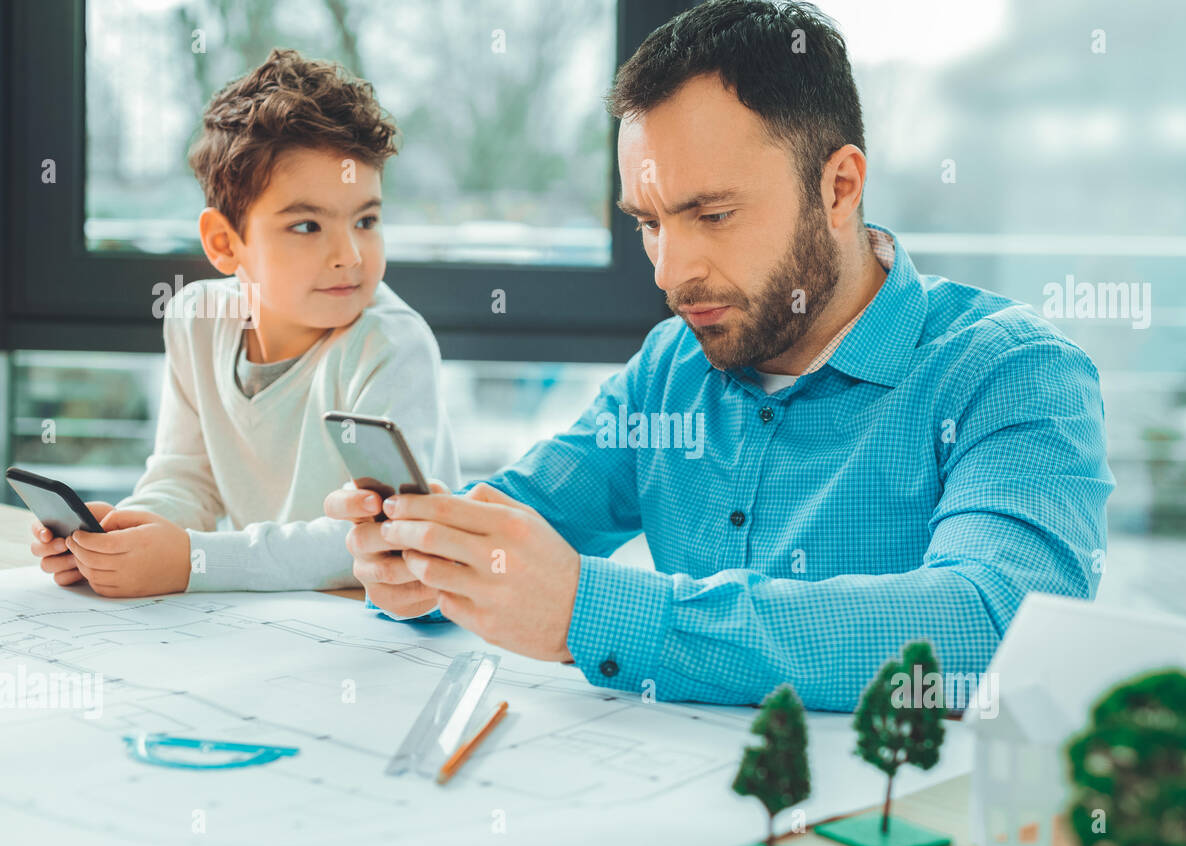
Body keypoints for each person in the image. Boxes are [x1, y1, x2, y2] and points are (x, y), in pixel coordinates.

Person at [325, 0, 1114, 712]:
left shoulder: (1013, 375)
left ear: (839, 188)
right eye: (650, 223)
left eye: (713, 212)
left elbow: (993, 627)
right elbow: (520, 516)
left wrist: (588, 613)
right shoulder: (673, 365)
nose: (670, 273)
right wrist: (423, 562)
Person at [31, 49, 460, 597]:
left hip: (385, 628)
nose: (350, 255)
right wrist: (123, 537)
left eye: (367, 219)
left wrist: (195, 562)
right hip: (267, 625)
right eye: (307, 225)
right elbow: (185, 479)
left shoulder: (392, 345)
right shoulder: (196, 319)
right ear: (223, 243)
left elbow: (381, 540)